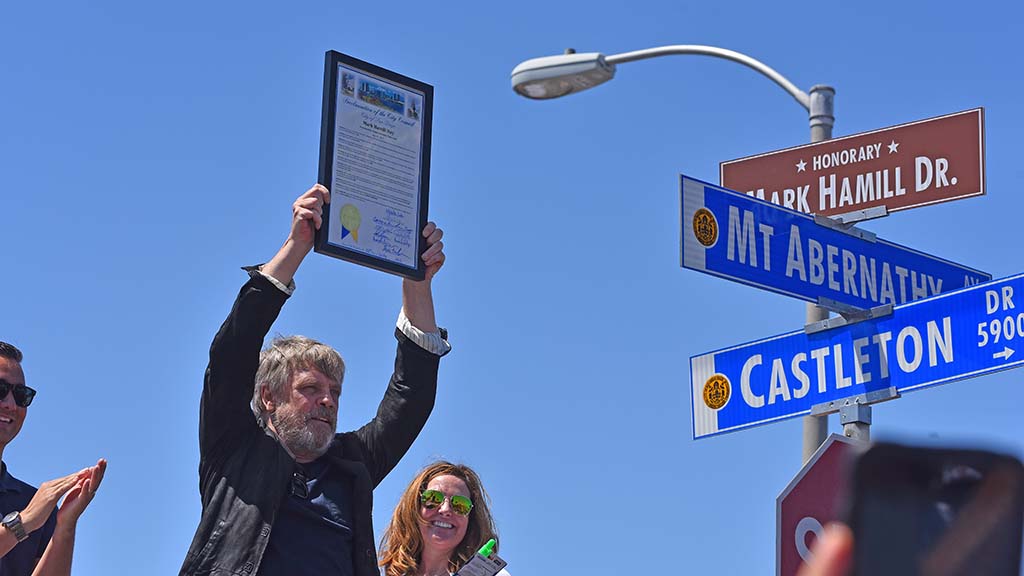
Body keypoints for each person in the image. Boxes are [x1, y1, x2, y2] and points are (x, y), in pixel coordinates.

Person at [179, 184, 450, 576]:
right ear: (268, 397)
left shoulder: (352, 464)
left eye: (334, 392)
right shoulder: (233, 449)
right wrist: (297, 245)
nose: (328, 401)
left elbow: (412, 398)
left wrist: (418, 282)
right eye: (310, 388)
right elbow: (231, 354)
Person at [0, 341, 106, 576]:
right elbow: (28, 519)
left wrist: (64, 526)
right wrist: (24, 522)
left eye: (20, 395)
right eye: (0, 389)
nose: (10, 404)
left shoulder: (34, 503)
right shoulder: (32, 511)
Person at [379, 461, 511, 576]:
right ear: (414, 507)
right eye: (433, 498)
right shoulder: (382, 572)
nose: (446, 510)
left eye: (460, 505)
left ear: (471, 520)